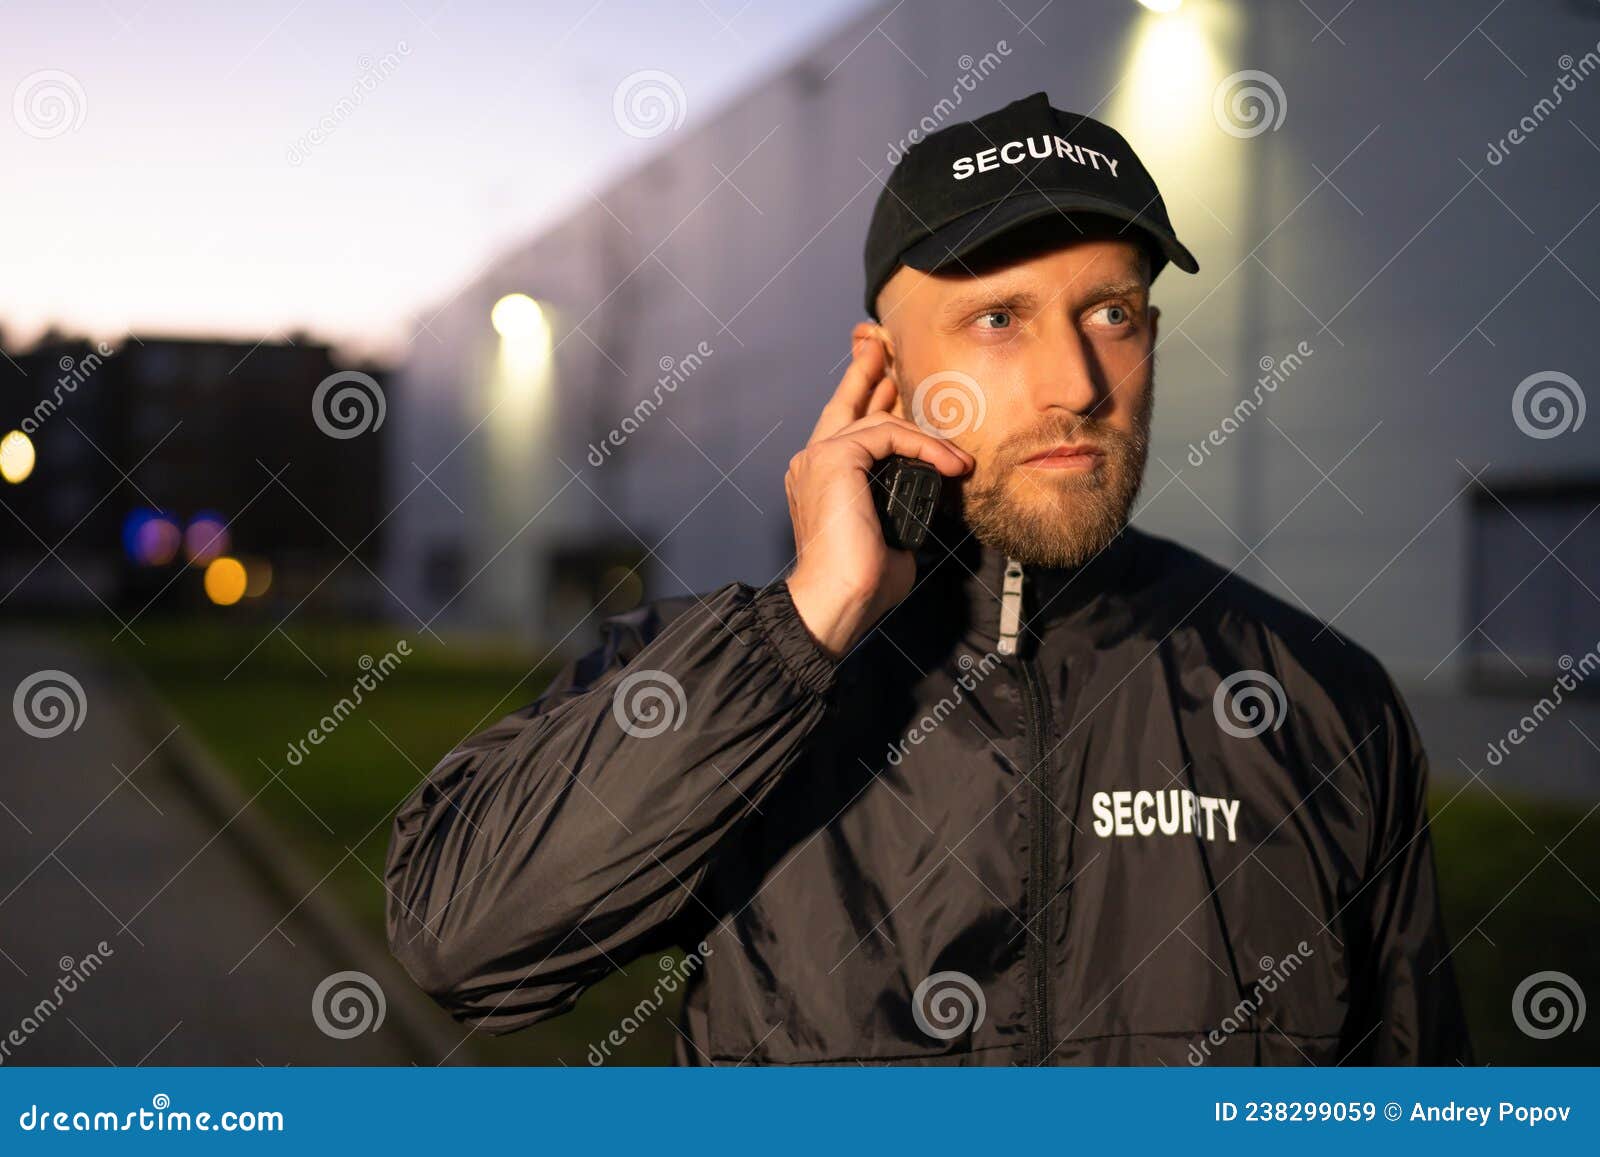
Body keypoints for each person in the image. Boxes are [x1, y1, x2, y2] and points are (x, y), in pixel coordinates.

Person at [385, 92, 1471, 1065]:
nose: (1075, 383)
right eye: (998, 319)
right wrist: (808, 624)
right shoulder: (731, 683)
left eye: (1111, 314)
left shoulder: (1317, 698)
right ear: (885, 370)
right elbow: (459, 942)